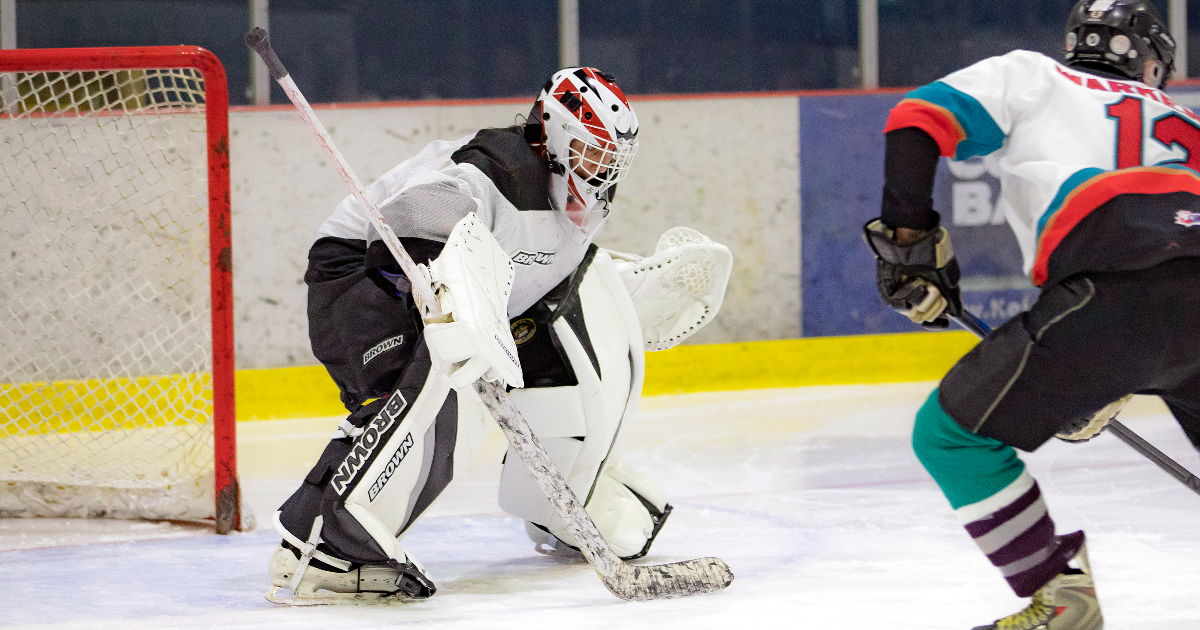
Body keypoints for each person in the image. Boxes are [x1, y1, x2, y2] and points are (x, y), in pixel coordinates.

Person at [266, 67, 732, 603]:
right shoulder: (498, 170)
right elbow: (405, 229)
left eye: (612, 160)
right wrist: (445, 296)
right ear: (555, 136)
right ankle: (330, 550)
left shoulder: (578, 199)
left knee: (577, 354)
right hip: (365, 270)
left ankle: (564, 502)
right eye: (593, 154)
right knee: (431, 393)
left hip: (465, 288)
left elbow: (539, 269)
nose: (602, 173)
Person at [863, 1, 1200, 628]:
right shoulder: (1188, 119)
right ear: (1154, 63)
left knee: (950, 436)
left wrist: (910, 245)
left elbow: (918, 118)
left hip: (1115, 298)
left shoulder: (1037, 75)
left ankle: (1059, 598)